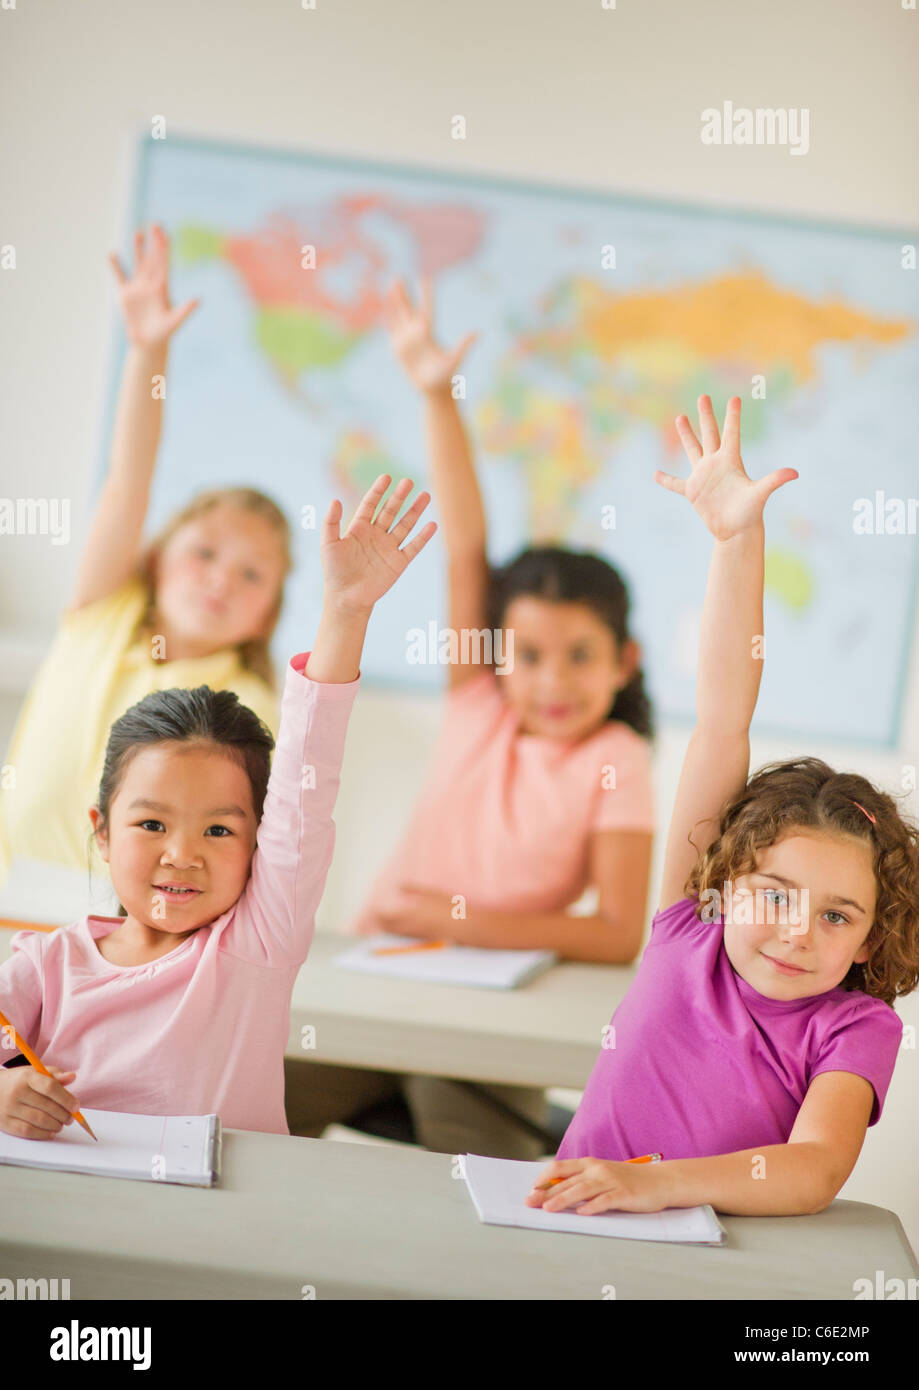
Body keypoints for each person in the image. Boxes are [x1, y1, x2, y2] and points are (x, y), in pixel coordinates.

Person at [285, 281, 655, 1159]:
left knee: (466, 1162)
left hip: (496, 1005)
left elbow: (614, 934)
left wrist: (462, 923)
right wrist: (434, 394)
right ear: (498, 656)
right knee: (264, 1103)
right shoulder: (476, 702)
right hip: (377, 977)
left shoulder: (616, 757)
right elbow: (463, 545)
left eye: (579, 657)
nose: (551, 680)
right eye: (528, 655)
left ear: (622, 663)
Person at [526, 395, 919, 1218]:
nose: (796, 931)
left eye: (838, 916)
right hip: (566, 1236)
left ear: (873, 933)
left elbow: (813, 1168)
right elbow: (720, 721)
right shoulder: (686, 928)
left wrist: (651, 1182)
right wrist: (737, 541)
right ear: (726, 880)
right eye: (773, 893)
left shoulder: (856, 1029)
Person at [0, 475, 435, 1138]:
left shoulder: (255, 947)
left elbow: (304, 785)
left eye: (218, 829)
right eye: (150, 824)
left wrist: (345, 612)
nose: (182, 853)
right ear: (103, 832)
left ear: (259, 844)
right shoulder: (41, 966)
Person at [0, 225, 291, 890]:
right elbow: (127, 484)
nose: (221, 577)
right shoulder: (104, 615)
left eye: (251, 574)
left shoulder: (246, 708)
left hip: (120, 934)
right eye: (205, 552)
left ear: (265, 615)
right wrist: (147, 353)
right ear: (158, 561)